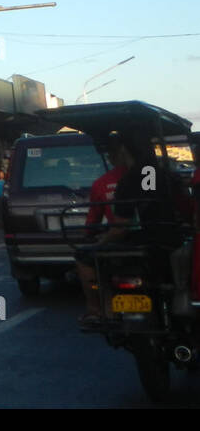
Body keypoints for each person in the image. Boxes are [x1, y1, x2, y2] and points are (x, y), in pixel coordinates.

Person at [75, 133, 133, 324]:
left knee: (84, 257)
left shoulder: (102, 183)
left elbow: (92, 222)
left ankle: (95, 309)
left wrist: (92, 235)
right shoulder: (156, 175)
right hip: (156, 238)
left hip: (119, 241)